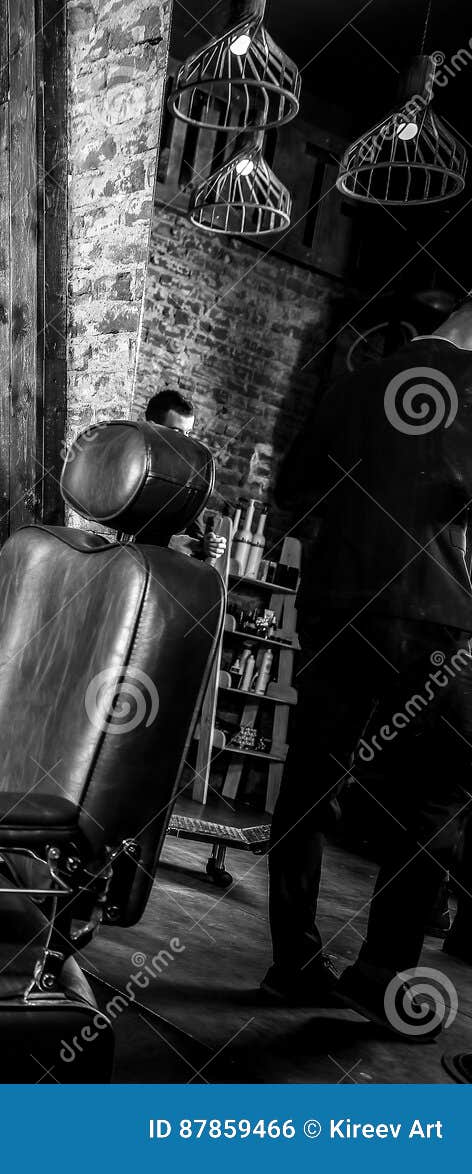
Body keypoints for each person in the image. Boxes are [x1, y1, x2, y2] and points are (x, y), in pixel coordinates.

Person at [265, 297, 472, 1041]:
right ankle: (383, 974)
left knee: (309, 784)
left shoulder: (356, 384)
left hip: (337, 603)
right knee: (438, 795)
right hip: (437, 617)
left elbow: (292, 491)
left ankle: (292, 961)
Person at [143, 389, 227, 563]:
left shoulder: (192, 478)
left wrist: (206, 545)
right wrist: (168, 542)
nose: (184, 441)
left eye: (187, 433)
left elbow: (195, 538)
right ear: (152, 427)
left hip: (165, 575)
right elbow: (117, 525)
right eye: (175, 431)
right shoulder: (130, 464)